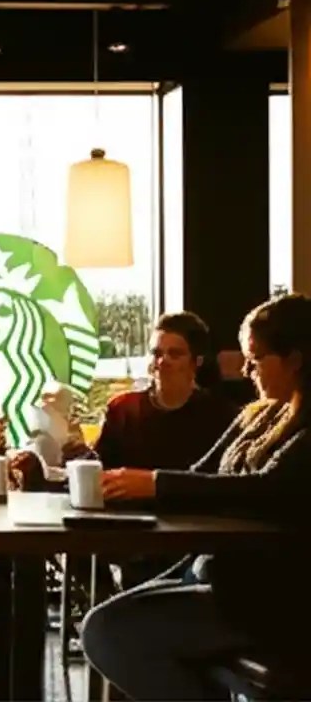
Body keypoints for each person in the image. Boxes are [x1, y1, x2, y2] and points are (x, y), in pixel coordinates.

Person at [81, 294, 311, 701]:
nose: (246, 370)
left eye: (255, 359)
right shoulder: (256, 414)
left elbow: (266, 489)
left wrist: (152, 484)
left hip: (270, 600)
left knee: (107, 631)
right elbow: (201, 476)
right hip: (217, 576)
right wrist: (129, 488)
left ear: (295, 359)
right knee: (103, 623)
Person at [93, 311, 238, 587]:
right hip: (127, 531)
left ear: (196, 362)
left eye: (175, 354)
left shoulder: (221, 415)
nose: (162, 362)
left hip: (191, 536)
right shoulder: (122, 408)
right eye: (156, 353)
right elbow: (102, 468)